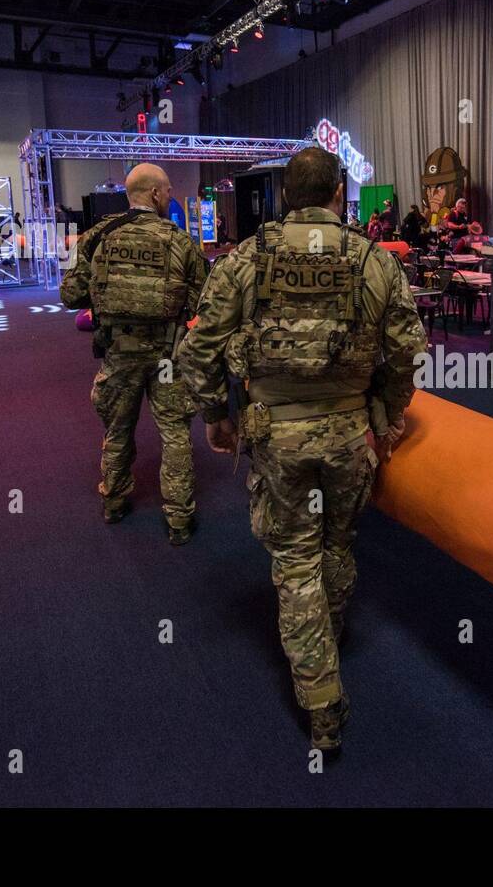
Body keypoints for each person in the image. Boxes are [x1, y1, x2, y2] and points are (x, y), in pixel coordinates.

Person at [177, 147, 425, 752]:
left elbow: (196, 352)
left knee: (294, 559)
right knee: (337, 542)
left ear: (286, 196)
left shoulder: (246, 259)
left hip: (275, 440)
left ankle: (320, 700)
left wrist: (217, 417)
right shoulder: (373, 259)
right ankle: (328, 636)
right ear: (339, 194)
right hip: (347, 439)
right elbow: (405, 350)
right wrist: (389, 415)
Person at [60, 163, 208, 546]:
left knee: (118, 429)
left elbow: (69, 295)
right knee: (174, 433)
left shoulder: (96, 237)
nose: (171, 197)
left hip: (120, 355)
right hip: (166, 357)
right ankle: (179, 518)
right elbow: (200, 302)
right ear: (156, 195)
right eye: (169, 191)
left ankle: (114, 501)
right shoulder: (181, 240)